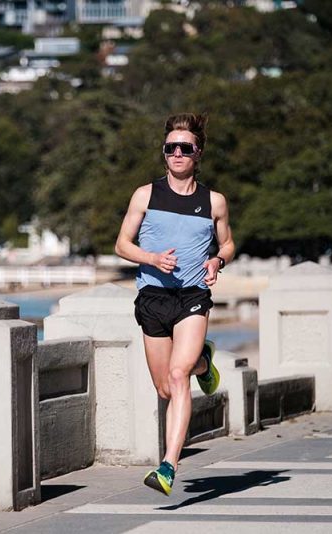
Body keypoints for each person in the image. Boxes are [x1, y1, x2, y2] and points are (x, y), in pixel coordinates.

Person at [114, 112, 235, 496]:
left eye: (186, 148)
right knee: (166, 388)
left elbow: (228, 243)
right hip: (153, 296)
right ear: (164, 154)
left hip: (192, 296)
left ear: (198, 153)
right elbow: (121, 245)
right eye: (171, 148)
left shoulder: (213, 201)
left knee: (178, 377)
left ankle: (168, 466)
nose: (178, 154)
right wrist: (151, 259)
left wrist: (218, 260)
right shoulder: (145, 195)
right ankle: (205, 361)